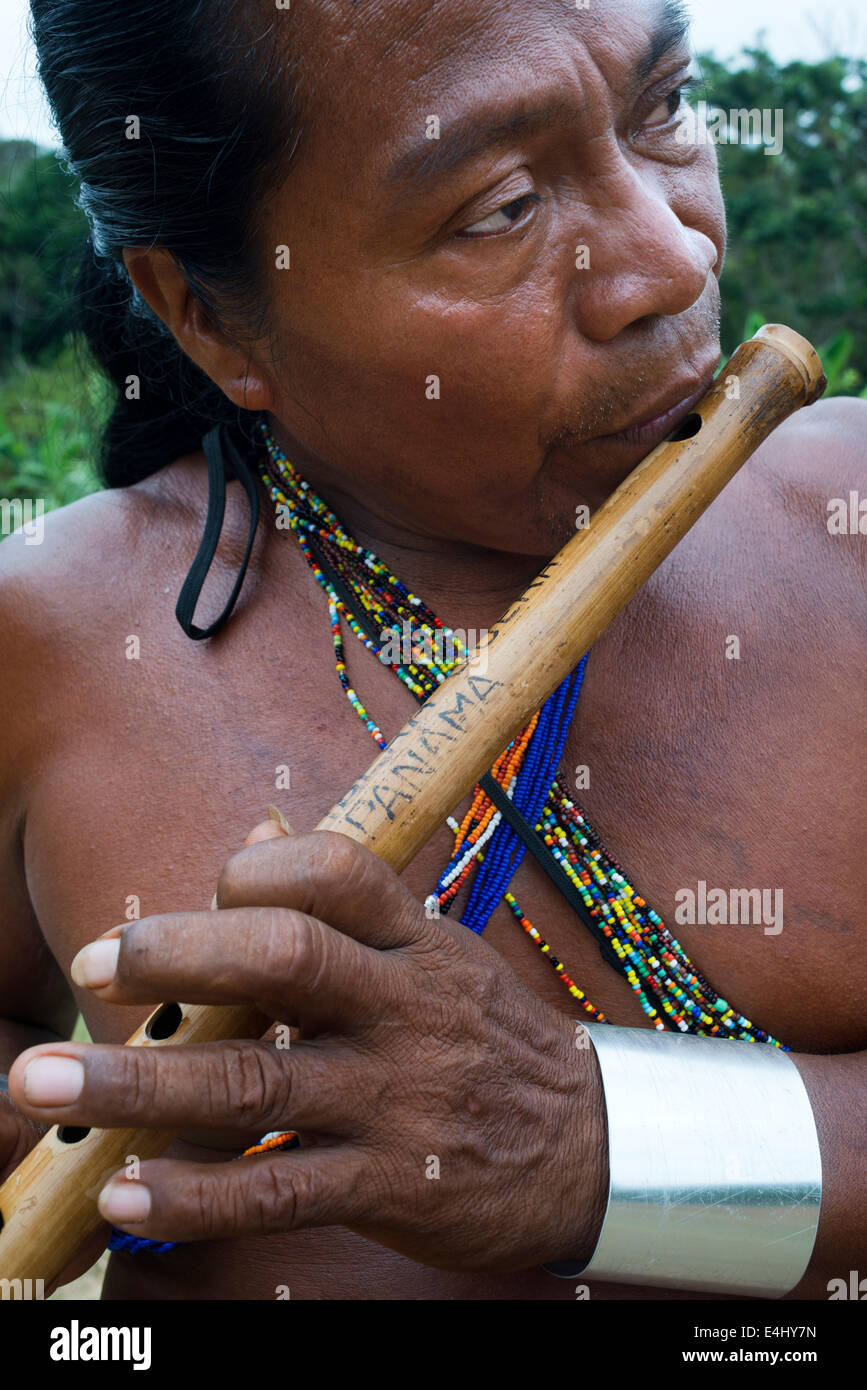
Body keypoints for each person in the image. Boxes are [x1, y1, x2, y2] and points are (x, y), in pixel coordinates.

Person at [0, 0, 863, 1301]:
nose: (674, 260)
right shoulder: (51, 634)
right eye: (502, 207)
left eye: (664, 110)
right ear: (208, 316)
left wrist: (598, 1143)